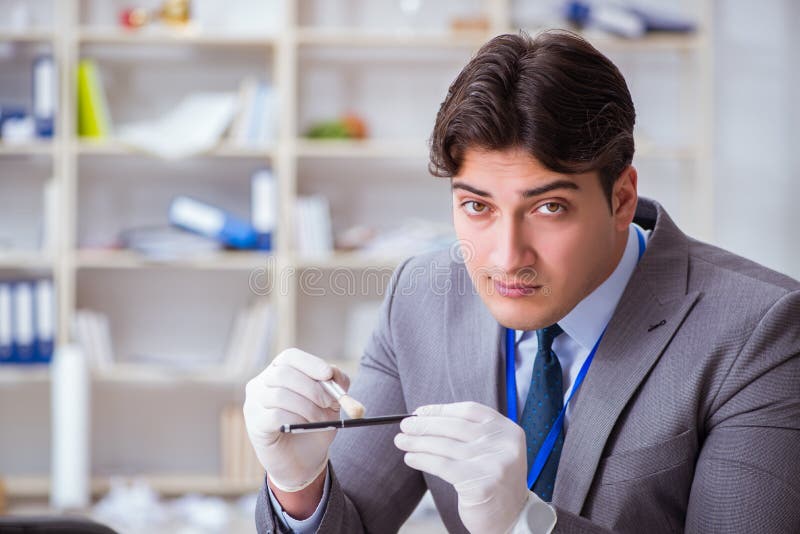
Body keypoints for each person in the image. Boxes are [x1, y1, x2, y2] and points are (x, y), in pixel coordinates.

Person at [243, 30, 800, 533]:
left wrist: (525, 522)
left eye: (550, 207)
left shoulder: (762, 331)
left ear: (621, 199)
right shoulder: (419, 299)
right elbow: (352, 522)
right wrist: (299, 486)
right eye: (477, 206)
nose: (507, 257)